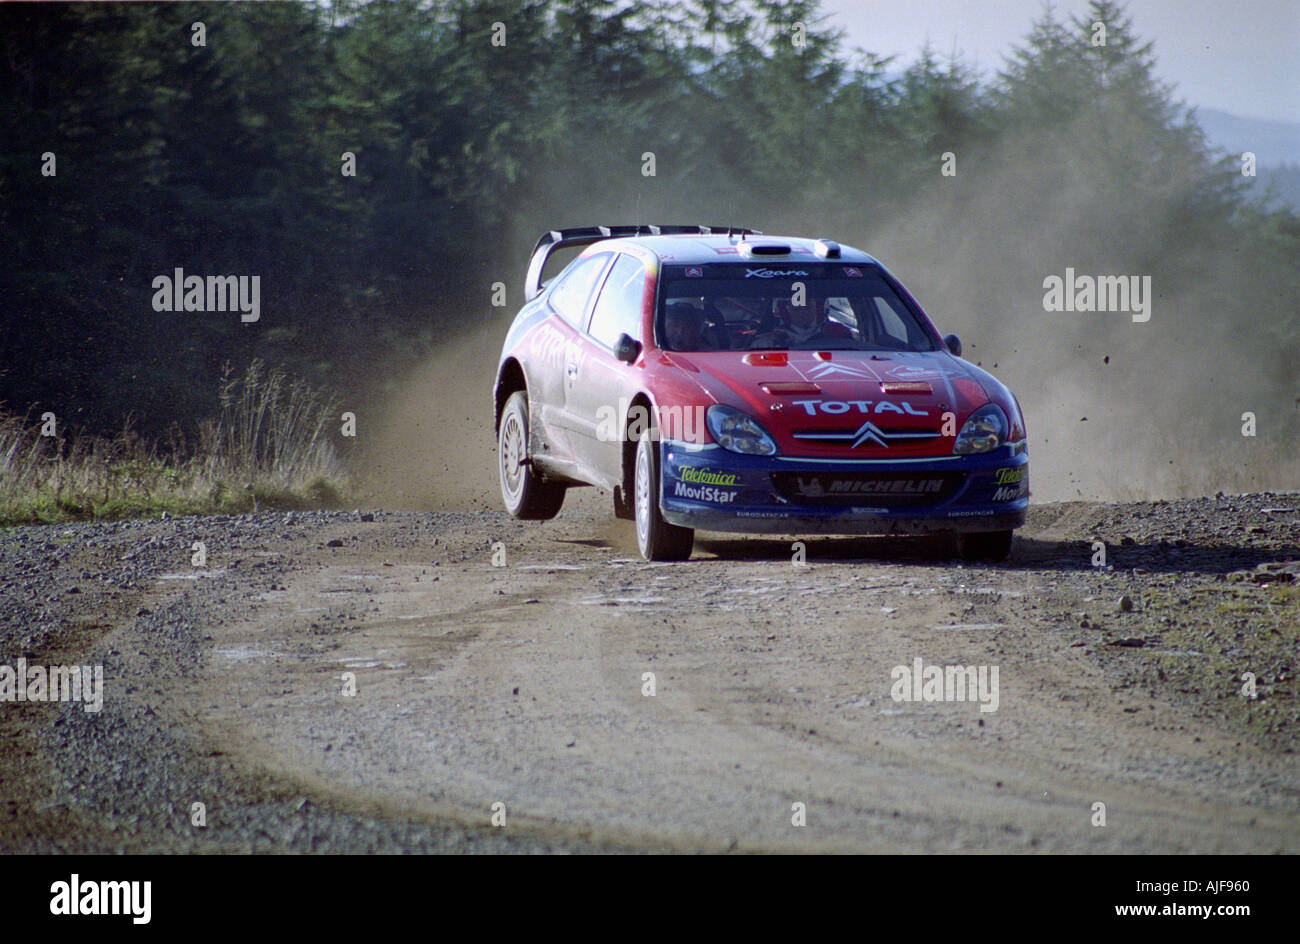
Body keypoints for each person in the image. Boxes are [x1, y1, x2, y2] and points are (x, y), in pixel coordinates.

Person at [750, 296, 851, 348]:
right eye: (796, 308)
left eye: (807, 306)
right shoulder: (768, 342)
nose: (802, 311)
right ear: (786, 311)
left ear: (817, 308)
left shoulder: (838, 333)